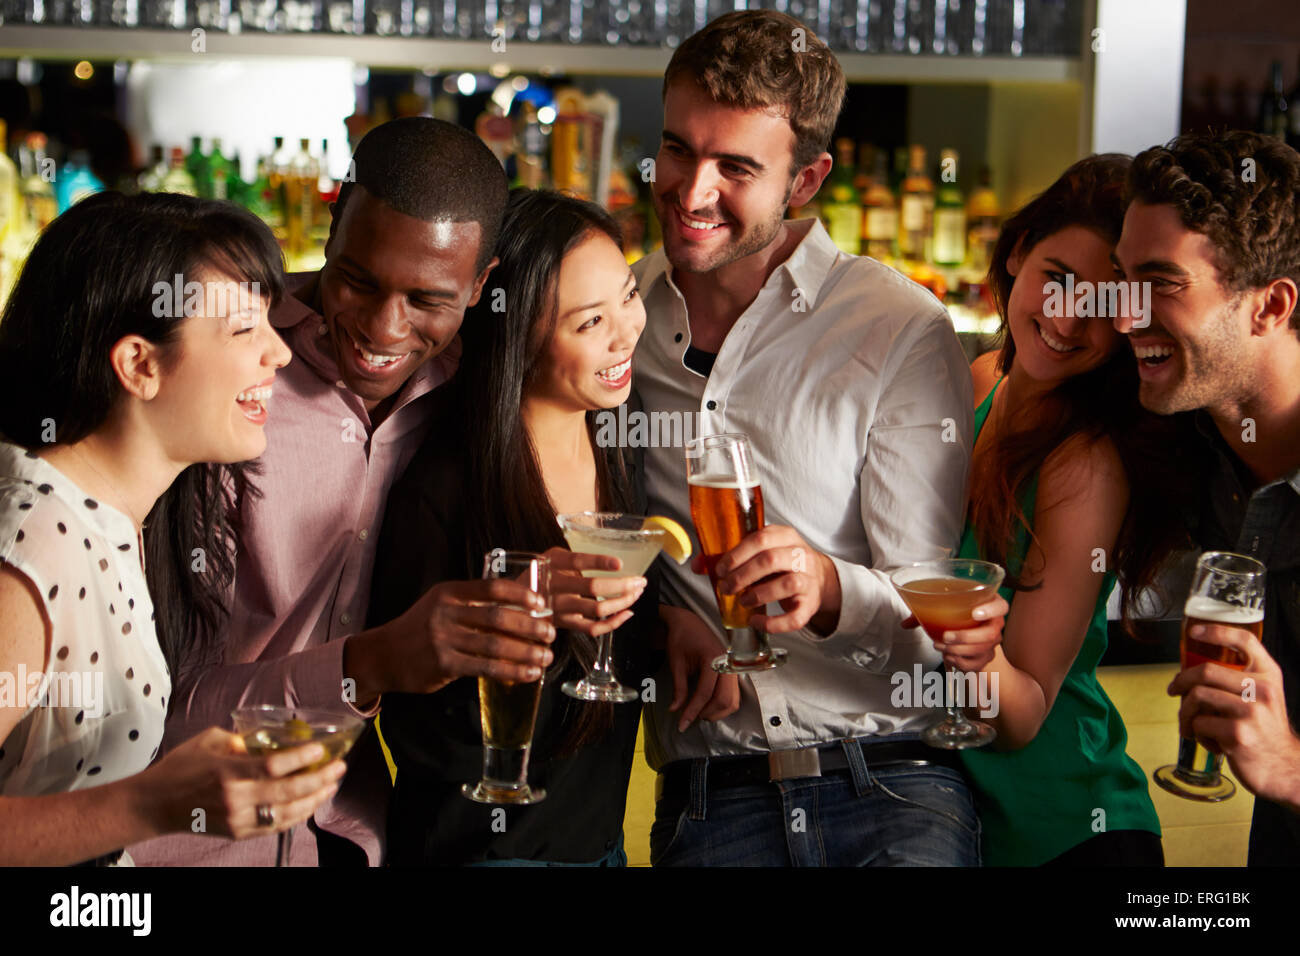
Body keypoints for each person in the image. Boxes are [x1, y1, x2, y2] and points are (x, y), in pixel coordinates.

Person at [633, 10, 1007, 867]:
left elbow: (934, 616)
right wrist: (660, 620)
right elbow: (580, 516)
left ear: (806, 179)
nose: (691, 191)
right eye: (678, 149)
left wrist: (831, 588)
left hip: (889, 785)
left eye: (735, 167)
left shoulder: (897, 326)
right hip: (708, 800)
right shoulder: (617, 316)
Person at [130, 118, 556, 867]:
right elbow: (155, 711)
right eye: (358, 280)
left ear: (481, 283)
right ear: (330, 226)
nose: (382, 329)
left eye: (428, 300)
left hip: (351, 838)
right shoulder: (222, 376)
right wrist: (367, 664)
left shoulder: (478, 398)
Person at [368, 188, 732, 865]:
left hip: (598, 850)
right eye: (590, 322)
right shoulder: (444, 485)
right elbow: (414, 729)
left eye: (628, 295)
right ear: (520, 336)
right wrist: (522, 620)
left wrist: (668, 626)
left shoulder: (620, 436)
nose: (628, 331)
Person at [0, 192, 344, 866]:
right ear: (139, 365)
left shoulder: (118, 517)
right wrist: (149, 804)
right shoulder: (33, 548)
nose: (279, 352)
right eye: (245, 330)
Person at [954, 154, 1201, 866]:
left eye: (1098, 303)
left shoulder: (1083, 464)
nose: (1065, 320)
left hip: (1064, 830)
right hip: (955, 813)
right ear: (1018, 253)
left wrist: (965, 646)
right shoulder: (978, 381)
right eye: (1057, 281)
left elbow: (1024, 711)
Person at [1113, 130, 1300, 866]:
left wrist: (1287, 764)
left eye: (1160, 283)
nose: (1125, 314)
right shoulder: (1192, 436)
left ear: (1270, 306)